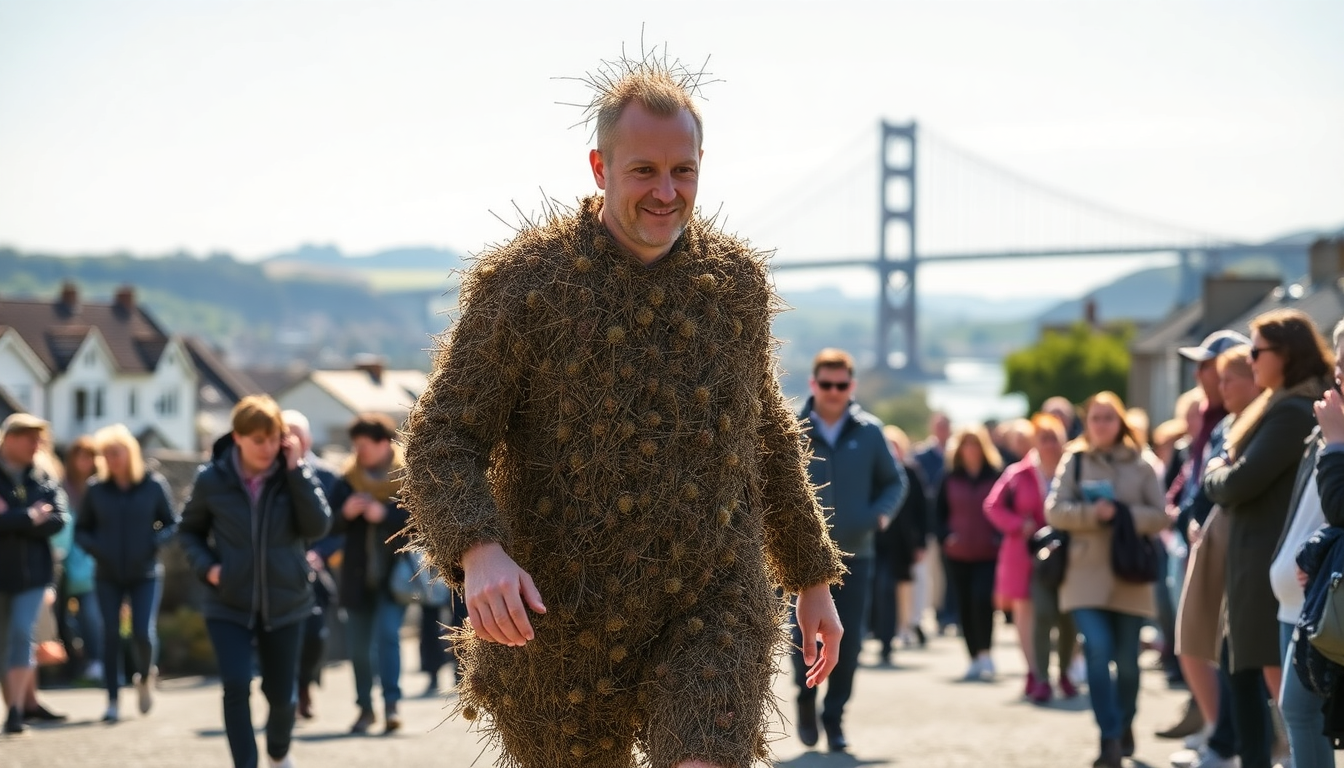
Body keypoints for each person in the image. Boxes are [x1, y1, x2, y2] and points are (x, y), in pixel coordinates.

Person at [399, 52, 845, 768]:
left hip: (713, 601)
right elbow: (442, 438)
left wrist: (810, 578)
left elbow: (766, 434)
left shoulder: (733, 285)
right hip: (557, 616)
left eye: (684, 171)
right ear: (601, 168)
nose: (667, 192)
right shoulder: (526, 286)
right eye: (644, 171)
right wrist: (478, 551)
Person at [1204, 309, 1334, 768]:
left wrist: (1214, 470)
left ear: (1287, 353)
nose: (1251, 359)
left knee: (1292, 706)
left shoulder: (1295, 411)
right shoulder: (1289, 407)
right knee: (1282, 701)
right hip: (1273, 573)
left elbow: (1238, 482)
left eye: (1257, 351)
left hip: (1285, 575)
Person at [178, 395, 331, 768]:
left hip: (287, 602)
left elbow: (318, 526)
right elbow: (189, 532)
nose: (266, 448)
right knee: (235, 686)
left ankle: (278, 752)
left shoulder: (292, 476)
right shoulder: (212, 480)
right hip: (227, 600)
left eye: (272, 438)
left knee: (281, 696)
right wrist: (209, 569)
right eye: (257, 439)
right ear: (238, 437)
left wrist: (296, 471)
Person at [791, 348, 905, 750]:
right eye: (826, 384)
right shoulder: (794, 429)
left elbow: (895, 482)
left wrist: (880, 516)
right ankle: (806, 698)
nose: (834, 392)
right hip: (801, 559)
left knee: (850, 639)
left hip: (858, 552)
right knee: (801, 633)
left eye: (841, 385)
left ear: (851, 387)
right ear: (813, 384)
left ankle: (835, 717)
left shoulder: (871, 432)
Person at [1047, 391, 1167, 768]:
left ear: (1120, 422)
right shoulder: (1075, 460)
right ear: (1087, 422)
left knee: (1128, 663)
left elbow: (1161, 516)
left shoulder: (1142, 463)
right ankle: (1109, 735)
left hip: (1130, 574)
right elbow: (1054, 511)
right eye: (1095, 418)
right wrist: (1091, 512)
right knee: (1097, 650)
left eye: (1108, 418)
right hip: (1084, 575)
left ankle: (1125, 721)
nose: (1101, 424)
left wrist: (1124, 515)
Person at [1169, 345, 1264, 768]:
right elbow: (1198, 483)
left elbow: (1226, 482)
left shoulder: (1254, 419)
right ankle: (1221, 736)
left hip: (1238, 550)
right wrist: (1187, 517)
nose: (1208, 379)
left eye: (1214, 369)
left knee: (1234, 653)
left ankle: (1232, 743)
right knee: (1207, 647)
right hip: (1204, 541)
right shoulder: (1219, 419)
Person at [1268, 320, 1344, 768]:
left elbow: (1339, 507)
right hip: (1320, 592)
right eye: (1341, 362)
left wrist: (1335, 444)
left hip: (1329, 599)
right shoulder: (1329, 419)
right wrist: (1318, 551)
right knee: (1297, 707)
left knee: (1299, 707)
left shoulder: (1332, 427)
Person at [74, 424, 177, 723]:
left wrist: (154, 543)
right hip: (106, 573)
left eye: (115, 453)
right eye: (105, 454)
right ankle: (112, 699)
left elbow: (171, 523)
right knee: (110, 636)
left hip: (144, 571)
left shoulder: (153, 485)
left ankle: (144, 676)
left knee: (143, 633)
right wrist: (96, 548)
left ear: (129, 453)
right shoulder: (95, 489)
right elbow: (82, 530)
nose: (110, 459)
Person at [984, 413, 1077, 704]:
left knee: (1066, 614)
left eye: (1054, 438)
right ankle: (1035, 673)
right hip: (1023, 553)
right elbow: (992, 506)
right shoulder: (1018, 473)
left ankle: (1064, 671)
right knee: (1026, 613)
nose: (1049, 444)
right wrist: (1017, 525)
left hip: (1063, 553)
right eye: (1044, 438)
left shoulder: (1072, 469)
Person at [328, 413, 411, 735]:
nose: (358, 452)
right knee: (359, 647)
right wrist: (345, 514)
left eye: (363, 445)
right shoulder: (347, 478)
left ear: (382, 444)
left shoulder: (408, 476)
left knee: (388, 636)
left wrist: (385, 514)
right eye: (355, 446)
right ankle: (365, 709)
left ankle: (392, 705)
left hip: (395, 577)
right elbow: (327, 522)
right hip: (357, 578)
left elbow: (423, 521)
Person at [0, 413, 68, 735]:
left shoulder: (42, 478)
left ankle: (15, 711)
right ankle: (19, 704)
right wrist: (29, 517)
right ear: (10, 439)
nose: (36, 446)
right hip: (3, 574)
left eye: (39, 440)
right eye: (30, 439)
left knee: (20, 633)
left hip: (35, 575)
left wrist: (14, 519)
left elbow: (58, 520)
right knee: (5, 639)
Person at [280, 410, 342, 722]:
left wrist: (320, 553)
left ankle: (305, 685)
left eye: (296, 435)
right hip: (279, 571)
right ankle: (287, 695)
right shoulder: (270, 476)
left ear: (307, 440)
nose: (290, 440)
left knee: (315, 636)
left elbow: (337, 529)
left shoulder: (329, 477)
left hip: (314, 572)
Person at [936, 425, 1003, 681]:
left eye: (975, 444)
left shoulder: (995, 475)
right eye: (966, 444)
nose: (971, 449)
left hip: (989, 552)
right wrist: (946, 537)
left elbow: (1005, 507)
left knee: (982, 600)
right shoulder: (950, 477)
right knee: (964, 604)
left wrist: (998, 537)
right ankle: (973, 657)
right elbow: (938, 513)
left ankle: (986, 653)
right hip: (958, 554)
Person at [876, 425, 928, 662]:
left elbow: (923, 510)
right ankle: (885, 638)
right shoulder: (873, 474)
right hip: (876, 544)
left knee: (903, 589)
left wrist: (921, 543)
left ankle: (906, 627)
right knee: (883, 589)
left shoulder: (911, 472)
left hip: (903, 545)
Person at [54, 436, 103, 686]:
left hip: (91, 565)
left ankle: (96, 661)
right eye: (81, 456)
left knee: (91, 616)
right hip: (61, 563)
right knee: (60, 619)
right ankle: (73, 663)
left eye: (91, 456)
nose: (86, 462)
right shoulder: (60, 487)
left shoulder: (100, 488)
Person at [915, 411, 954, 636]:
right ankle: (938, 612)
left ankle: (948, 613)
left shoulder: (954, 455)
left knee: (947, 573)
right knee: (933, 574)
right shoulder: (922, 456)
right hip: (930, 523)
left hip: (949, 523)